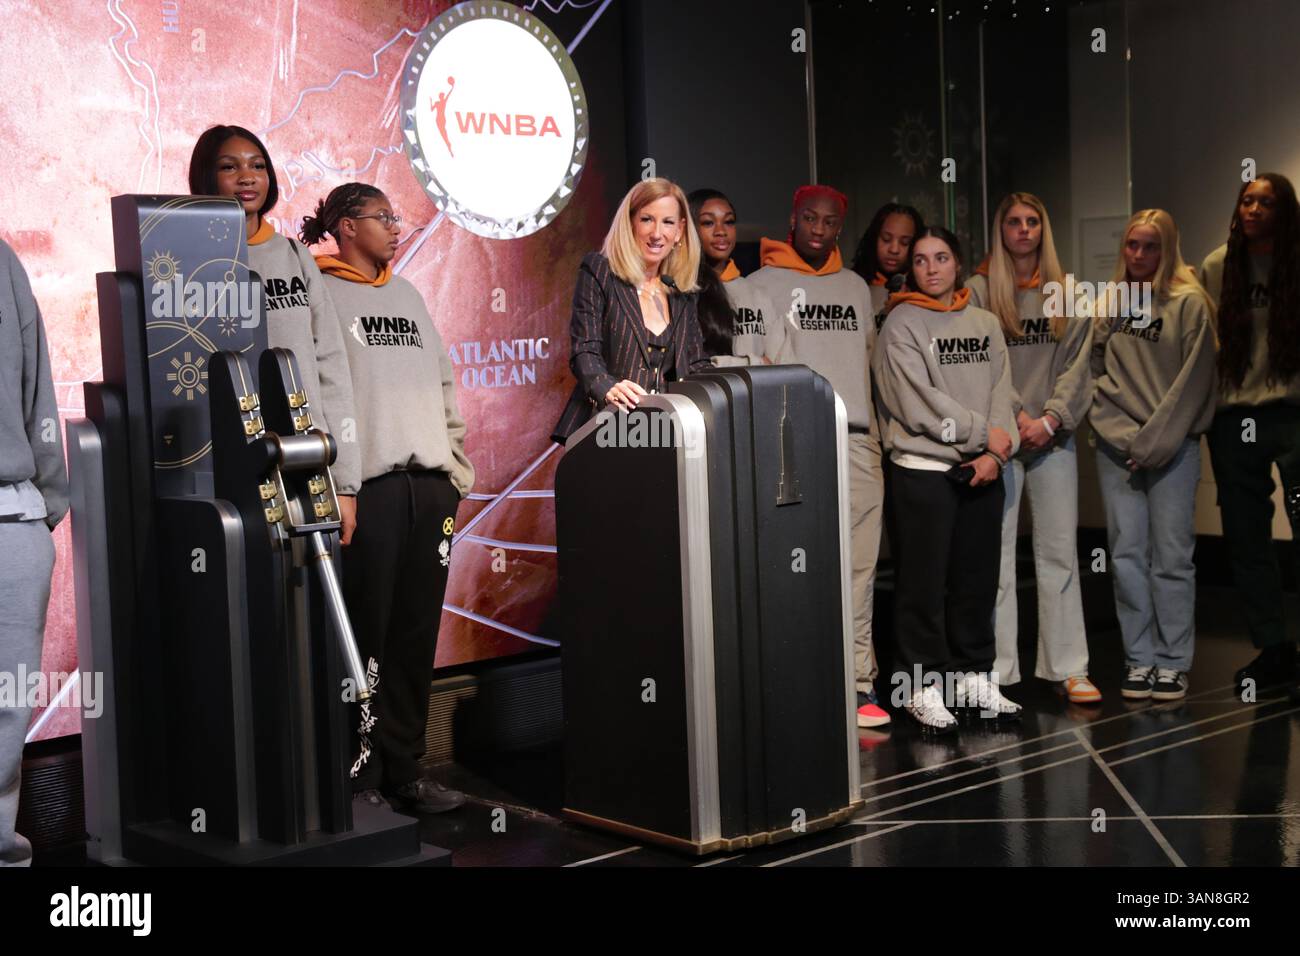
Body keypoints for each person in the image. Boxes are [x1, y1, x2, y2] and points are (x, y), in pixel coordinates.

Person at [301, 183, 474, 813]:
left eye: (396, 217)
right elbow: (325, 392)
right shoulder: (319, 291)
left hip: (428, 492)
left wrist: (455, 473)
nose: (396, 227)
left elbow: (443, 383)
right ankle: (354, 777)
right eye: (383, 217)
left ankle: (405, 770)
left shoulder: (406, 294)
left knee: (413, 635)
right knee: (361, 638)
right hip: (367, 492)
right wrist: (341, 484)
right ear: (346, 227)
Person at [748, 184, 889, 728]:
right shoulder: (759, 286)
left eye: (830, 223)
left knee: (859, 568)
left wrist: (877, 437)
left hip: (856, 437)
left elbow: (872, 366)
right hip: (794, 438)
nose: (819, 229)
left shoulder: (856, 288)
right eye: (810, 218)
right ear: (793, 218)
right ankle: (798, 680)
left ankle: (857, 683)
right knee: (794, 566)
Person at [872, 226, 1021, 732]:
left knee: (976, 581)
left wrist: (997, 455)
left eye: (940, 258)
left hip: (983, 469)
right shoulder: (901, 324)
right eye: (919, 260)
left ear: (958, 264)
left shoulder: (984, 321)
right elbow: (917, 404)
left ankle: (973, 676)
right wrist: (985, 437)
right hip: (924, 471)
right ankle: (920, 685)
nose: (931, 268)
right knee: (923, 586)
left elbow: (1004, 391)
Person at [188, 125, 361, 537]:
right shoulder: (189, 256)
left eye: (258, 166)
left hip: (305, 455)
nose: (247, 177)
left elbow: (331, 360)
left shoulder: (294, 255)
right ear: (206, 177)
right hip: (226, 462)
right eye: (229, 166)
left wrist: (347, 482)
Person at [966, 193, 1097, 703]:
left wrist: (1049, 419)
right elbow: (983, 366)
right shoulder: (978, 291)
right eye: (1014, 222)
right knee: (996, 555)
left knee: (1059, 552)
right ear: (1000, 230)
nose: (1023, 230)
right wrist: (1019, 417)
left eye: (1032, 222)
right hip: (1002, 440)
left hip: (1053, 440)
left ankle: (1068, 667)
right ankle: (999, 671)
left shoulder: (1068, 292)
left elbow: (1078, 366)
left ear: (1044, 229)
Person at [1091, 209, 1217, 702]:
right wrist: (1123, 436)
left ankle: (1173, 661)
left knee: (1172, 558)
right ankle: (1139, 657)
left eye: (1150, 247)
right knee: (1125, 555)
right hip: (1116, 448)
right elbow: (1096, 372)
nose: (1139, 256)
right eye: (1132, 245)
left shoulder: (1190, 305)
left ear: (1168, 250)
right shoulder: (1110, 302)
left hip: (1173, 449)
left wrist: (1153, 443)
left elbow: (1194, 385)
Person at [1201, 173, 1300, 694]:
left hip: (1293, 416)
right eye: (1247, 200)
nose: (1254, 209)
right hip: (1235, 420)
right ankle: (1274, 647)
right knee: (1246, 536)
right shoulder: (1218, 267)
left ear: (1284, 212)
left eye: (1266, 202)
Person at [0, 238, 68, 866]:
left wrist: (42, 507)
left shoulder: (1, 260)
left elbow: (36, 387)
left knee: (4, 713)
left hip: (10, 516)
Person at [552, 177, 710, 442]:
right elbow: (584, 350)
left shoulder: (682, 291)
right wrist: (607, 386)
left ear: (680, 231)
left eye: (668, 222)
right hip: (606, 426)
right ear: (630, 222)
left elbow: (695, 363)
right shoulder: (599, 271)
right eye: (647, 219)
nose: (657, 233)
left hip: (667, 434)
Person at [688, 188, 781, 365]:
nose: (721, 231)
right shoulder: (682, 292)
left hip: (761, 392)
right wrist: (754, 364)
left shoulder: (757, 294)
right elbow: (690, 365)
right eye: (708, 223)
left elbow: (783, 363)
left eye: (729, 222)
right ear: (689, 229)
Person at [851, 201, 926, 332]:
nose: (894, 249)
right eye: (886, 239)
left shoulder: (926, 290)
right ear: (874, 239)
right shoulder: (853, 286)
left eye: (905, 242)